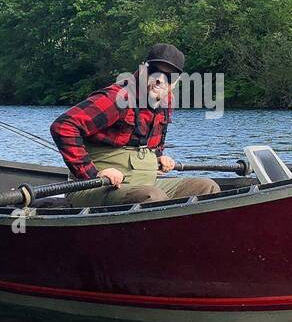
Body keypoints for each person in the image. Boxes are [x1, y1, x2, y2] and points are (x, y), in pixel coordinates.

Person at [50, 43, 221, 206]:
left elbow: (151, 141)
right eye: (155, 71)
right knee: (152, 197)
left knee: (207, 187)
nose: (160, 80)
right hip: (94, 187)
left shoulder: (166, 100)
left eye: (169, 77)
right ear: (144, 68)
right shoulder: (119, 97)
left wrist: (158, 156)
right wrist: (94, 174)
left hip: (146, 184)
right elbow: (64, 126)